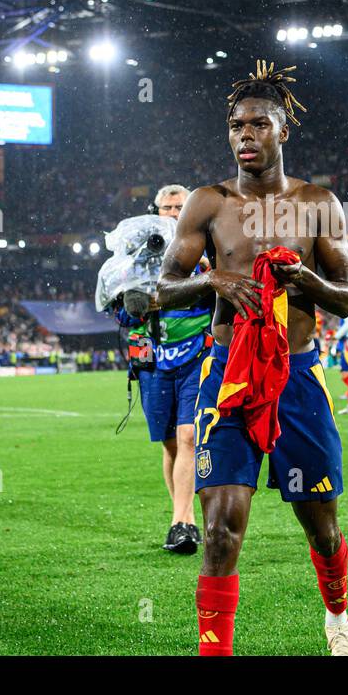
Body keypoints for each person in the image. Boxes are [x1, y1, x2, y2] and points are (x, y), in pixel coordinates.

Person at [157, 61, 348, 656]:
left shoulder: (318, 203)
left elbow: (346, 300)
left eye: (259, 125)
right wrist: (214, 281)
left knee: (321, 529)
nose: (245, 135)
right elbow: (162, 289)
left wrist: (305, 282)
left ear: (282, 131)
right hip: (226, 374)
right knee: (219, 528)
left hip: (296, 375)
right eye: (236, 126)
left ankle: (337, 614)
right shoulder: (207, 203)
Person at [114, 182, 211, 555]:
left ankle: (181, 523)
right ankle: (181, 515)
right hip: (153, 360)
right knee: (170, 445)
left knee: (189, 436)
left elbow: (219, 294)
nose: (173, 213)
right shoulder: (135, 255)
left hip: (195, 356)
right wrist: (136, 306)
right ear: (155, 212)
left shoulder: (207, 248)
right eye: (167, 208)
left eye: (180, 207)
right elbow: (120, 312)